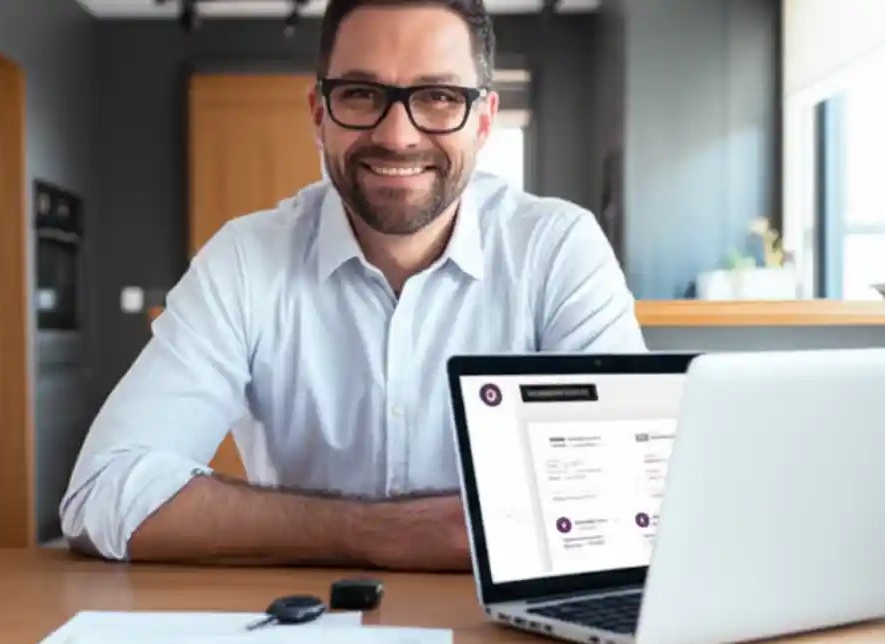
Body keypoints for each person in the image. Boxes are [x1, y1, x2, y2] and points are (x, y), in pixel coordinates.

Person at [60, 0, 647, 570]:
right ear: (320, 114)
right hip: (300, 634)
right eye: (362, 95)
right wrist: (381, 534)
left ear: (485, 120)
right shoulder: (246, 259)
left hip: (510, 640)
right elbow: (103, 493)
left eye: (439, 97)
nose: (398, 135)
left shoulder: (557, 248)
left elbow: (624, 491)